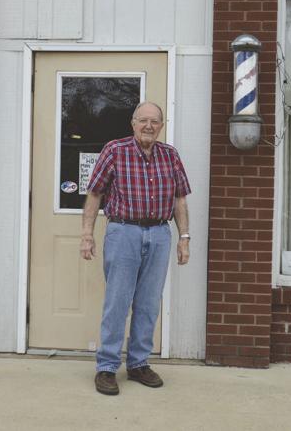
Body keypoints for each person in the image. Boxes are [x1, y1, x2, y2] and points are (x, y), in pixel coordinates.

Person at [80, 101, 191, 396]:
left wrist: (184, 237)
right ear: (133, 123)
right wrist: (87, 234)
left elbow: (180, 200)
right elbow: (94, 194)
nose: (149, 126)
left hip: (159, 232)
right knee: (117, 302)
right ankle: (106, 367)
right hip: (123, 231)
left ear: (162, 125)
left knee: (148, 303)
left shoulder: (170, 156)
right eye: (143, 120)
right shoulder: (115, 151)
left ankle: (139, 363)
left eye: (155, 121)